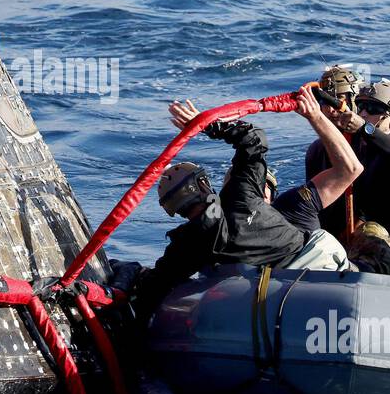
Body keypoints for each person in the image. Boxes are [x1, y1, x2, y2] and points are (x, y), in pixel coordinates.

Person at [130, 87, 349, 318]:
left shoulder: (186, 246)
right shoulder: (240, 195)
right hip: (320, 264)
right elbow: (254, 140)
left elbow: (155, 287)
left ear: (172, 208)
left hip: (279, 288)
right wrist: (209, 125)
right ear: (204, 184)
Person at [307, 77, 390, 278]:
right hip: (372, 252)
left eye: (373, 108)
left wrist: (363, 129)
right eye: (361, 107)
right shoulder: (356, 151)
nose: (364, 113)